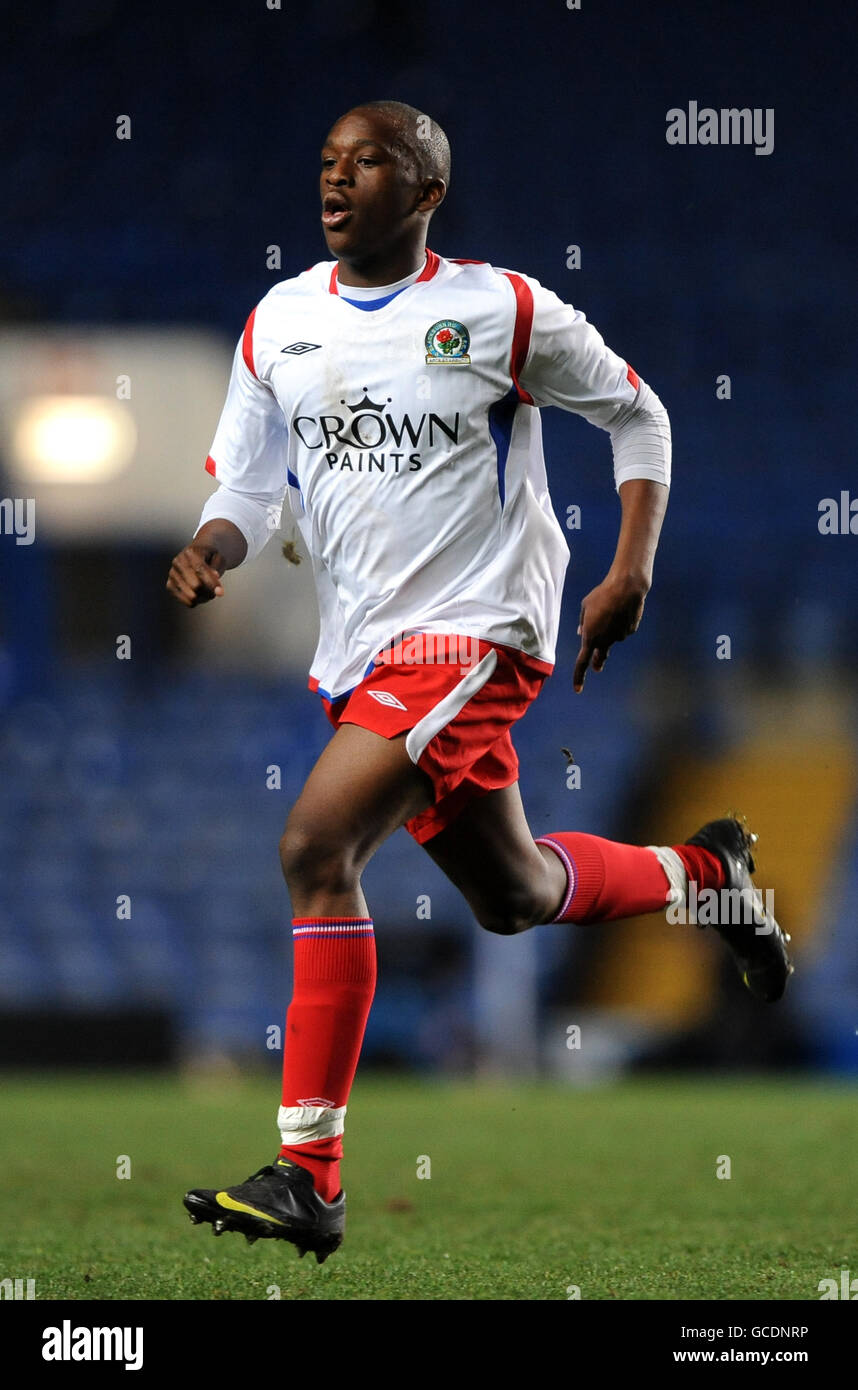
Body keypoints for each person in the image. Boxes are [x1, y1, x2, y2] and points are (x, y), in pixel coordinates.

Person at [167, 100, 793, 1264]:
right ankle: (707, 872)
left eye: (369, 162)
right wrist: (214, 543)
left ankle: (309, 1173)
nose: (339, 177)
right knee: (512, 894)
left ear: (426, 192)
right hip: (360, 651)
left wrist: (630, 570)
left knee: (315, 846)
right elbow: (247, 487)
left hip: (478, 634)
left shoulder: (497, 310)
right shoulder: (280, 322)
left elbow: (637, 413)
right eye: (327, 160)